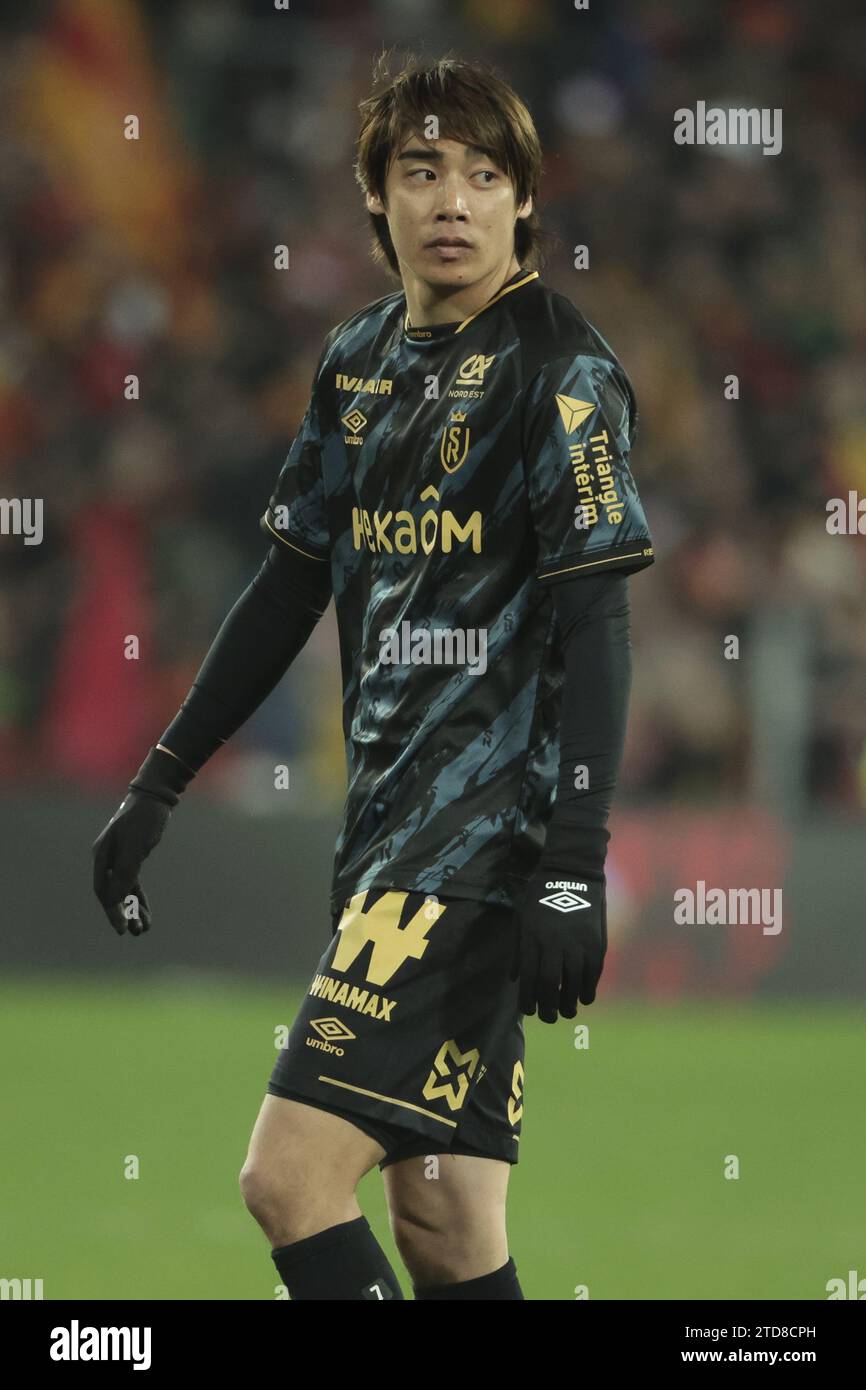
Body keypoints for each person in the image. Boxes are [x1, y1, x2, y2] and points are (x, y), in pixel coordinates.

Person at [92, 51, 654, 1301]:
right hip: (384, 842)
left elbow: (598, 625)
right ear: (375, 202)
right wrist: (161, 781)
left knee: (286, 1179)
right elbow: (285, 589)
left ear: (522, 205)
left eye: (481, 174)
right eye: (420, 171)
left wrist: (569, 862)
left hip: (476, 859)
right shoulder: (355, 365)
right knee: (448, 1224)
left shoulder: (559, 372)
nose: (451, 200)